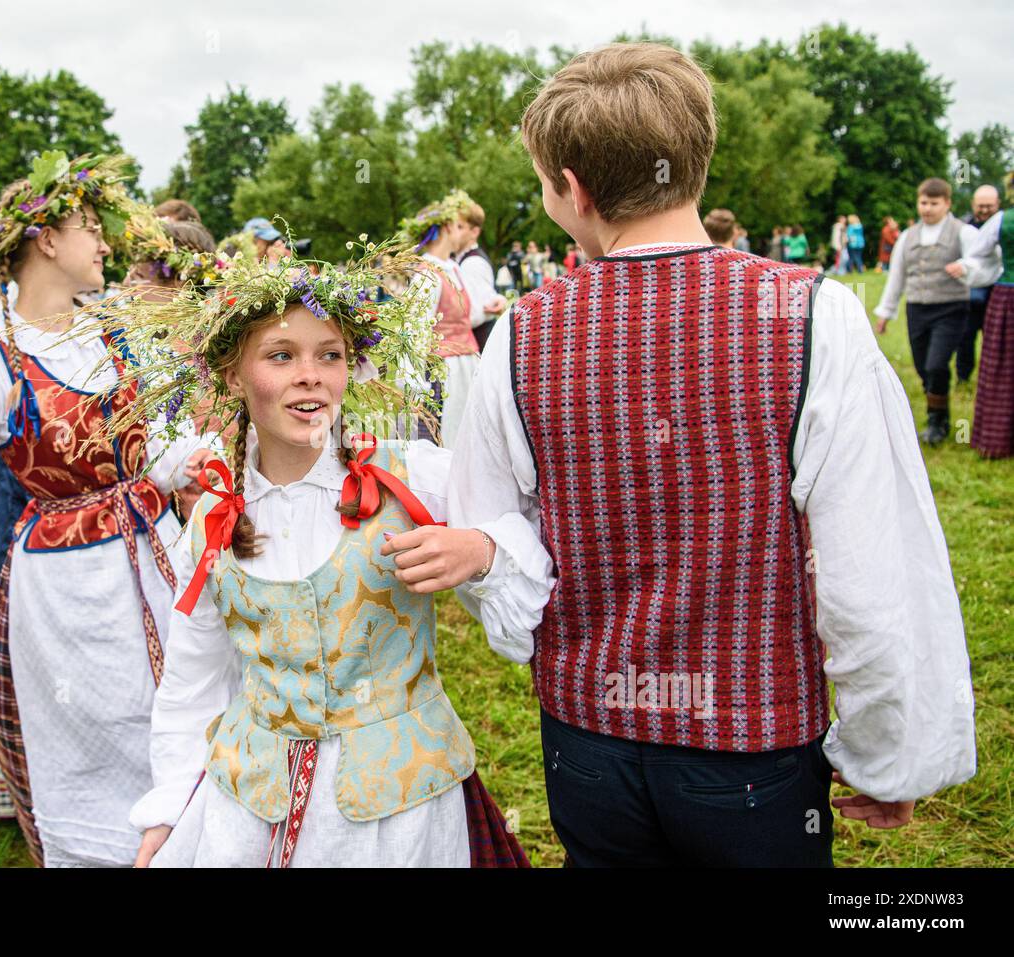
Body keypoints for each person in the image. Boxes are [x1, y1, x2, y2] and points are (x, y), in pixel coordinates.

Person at [454, 41, 976, 867]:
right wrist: (888, 749)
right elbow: (873, 571)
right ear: (698, 160)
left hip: (587, 741)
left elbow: (490, 540)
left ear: (572, 190)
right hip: (750, 749)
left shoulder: (521, 334)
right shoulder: (814, 315)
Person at [120, 243, 541, 868]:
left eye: (330, 355)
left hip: (399, 809)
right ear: (235, 376)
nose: (309, 374)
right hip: (253, 803)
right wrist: (167, 808)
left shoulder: (413, 478)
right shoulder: (213, 513)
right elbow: (194, 676)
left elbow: (533, 523)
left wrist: (481, 551)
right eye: (282, 356)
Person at [0, 154, 214, 862]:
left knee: (180, 707)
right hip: (65, 588)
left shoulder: (114, 331)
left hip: (159, 555)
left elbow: (159, 443)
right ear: (46, 238)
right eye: (89, 227)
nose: (104, 243)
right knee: (93, 728)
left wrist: (194, 461)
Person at [873, 178, 983, 445]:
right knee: (923, 367)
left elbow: (981, 261)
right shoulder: (907, 237)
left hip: (951, 308)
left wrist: (965, 266)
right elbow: (896, 275)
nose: (928, 208)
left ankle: (936, 422)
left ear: (947, 203)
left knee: (936, 364)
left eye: (934, 203)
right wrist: (885, 313)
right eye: (923, 202)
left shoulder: (962, 232)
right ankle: (941, 414)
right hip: (917, 309)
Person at [398, 189, 481, 446]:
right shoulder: (428, 275)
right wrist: (412, 386)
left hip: (467, 365)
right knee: (449, 440)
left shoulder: (452, 268)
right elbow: (414, 332)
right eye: (457, 225)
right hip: (445, 372)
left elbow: (466, 316)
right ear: (445, 228)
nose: (461, 232)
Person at [949, 186, 1014, 459]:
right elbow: (976, 256)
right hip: (1008, 296)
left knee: (1003, 367)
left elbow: (977, 254)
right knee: (1004, 367)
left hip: (1007, 295)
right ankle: (999, 440)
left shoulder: (1002, 220)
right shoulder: (1001, 220)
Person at [955, 185, 1002, 384]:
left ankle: (992, 379)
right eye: (980, 206)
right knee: (965, 336)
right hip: (969, 292)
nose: (984, 210)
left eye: (989, 206)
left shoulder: (1004, 225)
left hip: (998, 290)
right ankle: (963, 377)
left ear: (998, 204)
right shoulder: (963, 227)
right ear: (973, 205)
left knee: (995, 339)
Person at [454, 199, 508, 351]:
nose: (453, 231)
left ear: (474, 232)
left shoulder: (472, 263)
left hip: (477, 345)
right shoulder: (461, 260)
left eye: (460, 227)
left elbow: (476, 312)